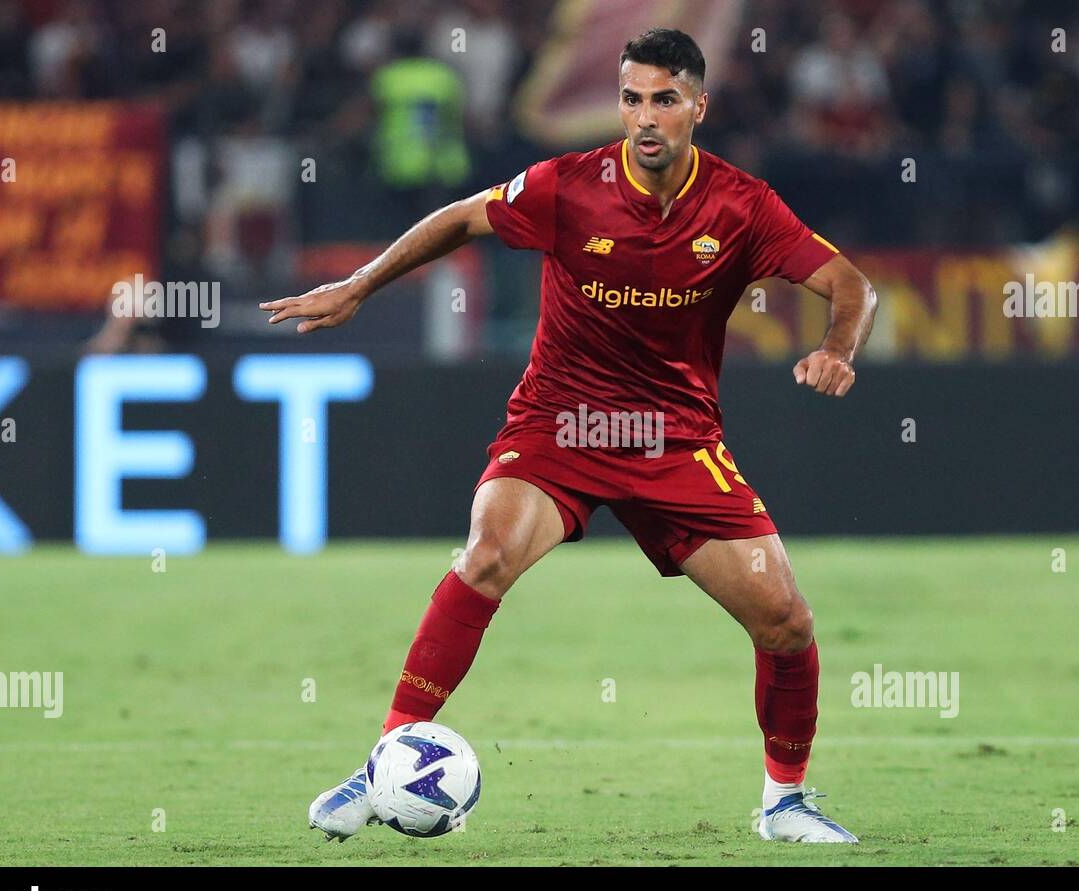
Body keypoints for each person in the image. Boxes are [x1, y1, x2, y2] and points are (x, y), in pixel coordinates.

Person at [260, 28, 877, 845]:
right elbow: (463, 217)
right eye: (631, 99)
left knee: (786, 620)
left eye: (663, 99)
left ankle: (784, 803)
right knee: (486, 554)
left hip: (676, 440)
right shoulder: (568, 186)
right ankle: (382, 763)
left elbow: (849, 284)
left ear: (699, 104)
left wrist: (837, 349)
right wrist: (361, 286)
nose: (645, 117)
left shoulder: (742, 205)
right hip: (562, 425)